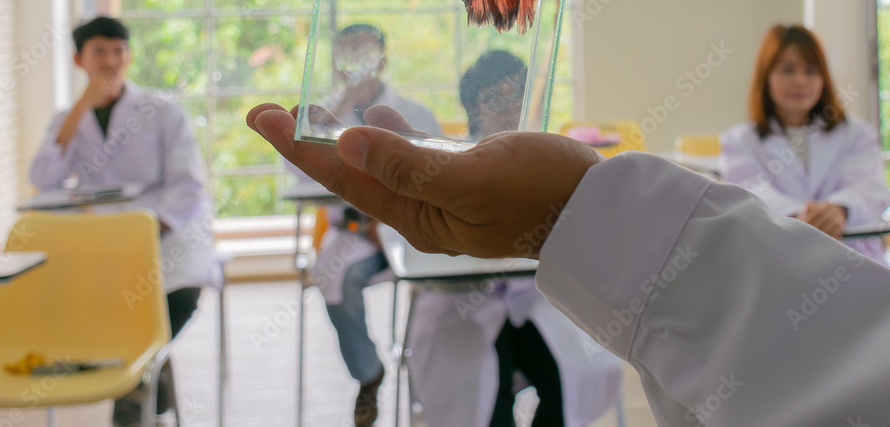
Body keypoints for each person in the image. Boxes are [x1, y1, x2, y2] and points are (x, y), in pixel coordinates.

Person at [245, 102, 890, 425]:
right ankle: (368, 374)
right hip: (415, 261)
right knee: (341, 277)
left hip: (540, 282)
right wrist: (571, 205)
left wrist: (568, 205)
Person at [406, 51, 621, 427]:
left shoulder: (547, 162)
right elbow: (425, 250)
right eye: (495, 98)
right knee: (486, 394)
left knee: (571, 378)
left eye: (516, 96)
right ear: (473, 104)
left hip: (535, 302)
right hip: (463, 305)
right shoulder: (449, 163)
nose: (508, 108)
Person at [29, 16, 221, 427]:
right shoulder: (69, 117)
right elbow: (44, 180)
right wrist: (81, 107)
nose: (111, 61)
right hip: (102, 236)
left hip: (164, 231)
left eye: (119, 51)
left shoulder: (163, 111)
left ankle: (137, 379)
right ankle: (149, 369)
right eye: (100, 51)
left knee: (180, 295)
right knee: (88, 297)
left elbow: (188, 187)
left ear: (129, 56)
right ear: (80, 59)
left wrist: (146, 229)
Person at [295, 23, 440, 427]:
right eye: (348, 55)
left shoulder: (415, 114)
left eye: (366, 53)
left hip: (405, 229)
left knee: (435, 291)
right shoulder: (320, 118)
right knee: (331, 275)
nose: (358, 64)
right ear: (337, 65)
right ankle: (368, 374)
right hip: (353, 235)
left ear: (383, 60)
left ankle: (429, 380)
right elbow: (299, 182)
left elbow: (442, 176)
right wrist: (338, 109)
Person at [720, 24, 890, 263]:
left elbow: (870, 188)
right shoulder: (739, 140)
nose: (800, 81)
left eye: (811, 71)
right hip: (779, 259)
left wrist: (840, 208)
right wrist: (800, 215)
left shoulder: (857, 133)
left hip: (854, 259)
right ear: (766, 75)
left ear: (824, 78)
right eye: (787, 70)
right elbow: (749, 192)